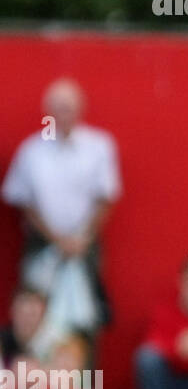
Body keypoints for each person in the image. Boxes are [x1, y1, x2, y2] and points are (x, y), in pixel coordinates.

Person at [1, 78, 120, 341]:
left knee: (86, 319)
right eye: (59, 108)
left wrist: (82, 238)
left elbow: (106, 196)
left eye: (69, 107)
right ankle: (36, 381)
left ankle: (87, 382)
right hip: (41, 245)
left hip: (86, 244)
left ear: (80, 109)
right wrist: (55, 238)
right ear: (48, 111)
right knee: (34, 316)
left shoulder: (99, 146)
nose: (64, 114)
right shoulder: (32, 151)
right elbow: (23, 200)